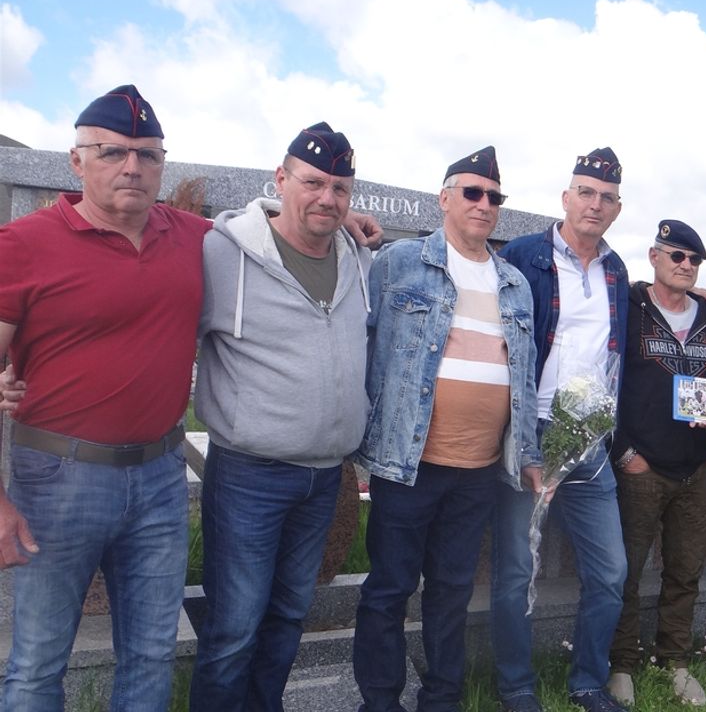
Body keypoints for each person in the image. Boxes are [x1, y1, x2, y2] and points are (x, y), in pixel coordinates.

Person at [0, 85, 204, 710]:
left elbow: (279, 228)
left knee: (149, 656)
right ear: (76, 161)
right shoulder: (21, 245)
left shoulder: (193, 237)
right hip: (57, 478)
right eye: (113, 152)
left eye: (149, 155)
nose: (133, 167)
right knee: (37, 663)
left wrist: (354, 226)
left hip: (161, 479)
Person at [189, 122, 372, 710]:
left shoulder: (358, 257)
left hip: (325, 477)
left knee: (290, 616)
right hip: (250, 474)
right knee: (234, 628)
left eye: (340, 188)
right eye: (313, 182)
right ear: (280, 179)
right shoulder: (223, 253)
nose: (327, 197)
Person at [352, 146, 537, 712]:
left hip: (478, 470)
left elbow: (523, 379)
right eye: (472, 192)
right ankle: (380, 701)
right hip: (407, 465)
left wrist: (527, 453)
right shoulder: (397, 263)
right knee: (389, 590)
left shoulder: (514, 284)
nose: (484, 204)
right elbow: (355, 334)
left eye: (494, 197)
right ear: (445, 198)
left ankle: (442, 699)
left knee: (452, 594)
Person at [491, 147, 631, 712]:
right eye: (585, 193)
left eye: (606, 198)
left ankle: (587, 681)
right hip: (531, 427)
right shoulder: (523, 255)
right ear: (566, 198)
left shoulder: (617, 271)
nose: (594, 205)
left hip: (591, 438)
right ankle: (517, 686)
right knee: (516, 567)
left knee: (611, 569)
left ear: (617, 209)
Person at [606, 220, 706, 707]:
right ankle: (621, 663)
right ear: (654, 256)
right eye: (676, 256)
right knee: (626, 572)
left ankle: (676, 660)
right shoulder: (629, 308)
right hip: (642, 465)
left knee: (685, 569)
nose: (686, 266)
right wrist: (625, 452)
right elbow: (607, 379)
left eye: (694, 260)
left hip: (698, 468)